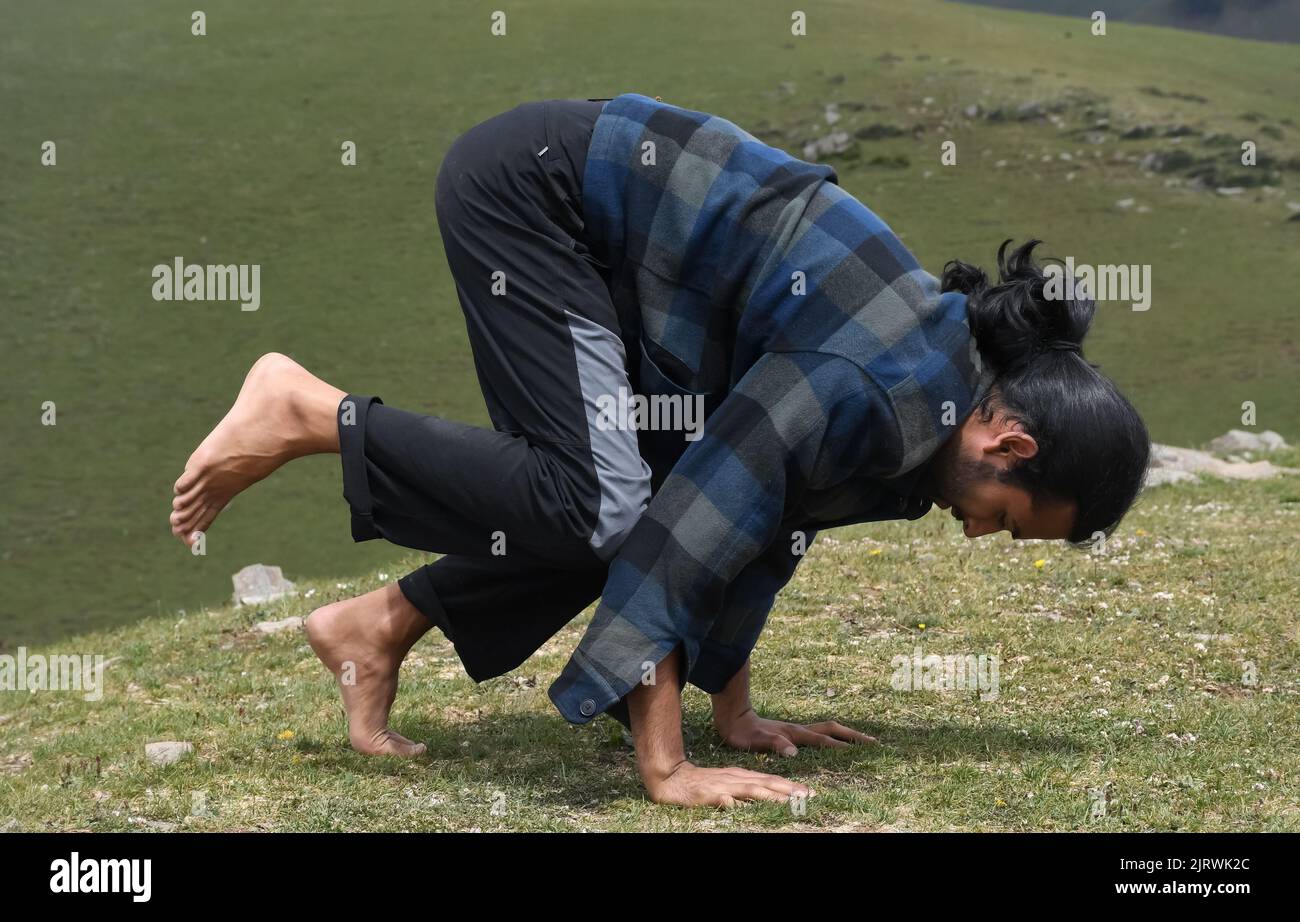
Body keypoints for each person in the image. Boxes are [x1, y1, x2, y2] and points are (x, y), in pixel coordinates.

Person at [169, 94, 1149, 807]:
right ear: (1006, 440)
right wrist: (667, 765)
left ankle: (376, 628)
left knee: (619, 499)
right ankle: (308, 411)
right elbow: (699, 519)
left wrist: (735, 710)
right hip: (536, 198)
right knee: (604, 502)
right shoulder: (886, 387)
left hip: (613, 261)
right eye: (1011, 522)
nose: (982, 535)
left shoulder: (928, 402)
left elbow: (766, 521)